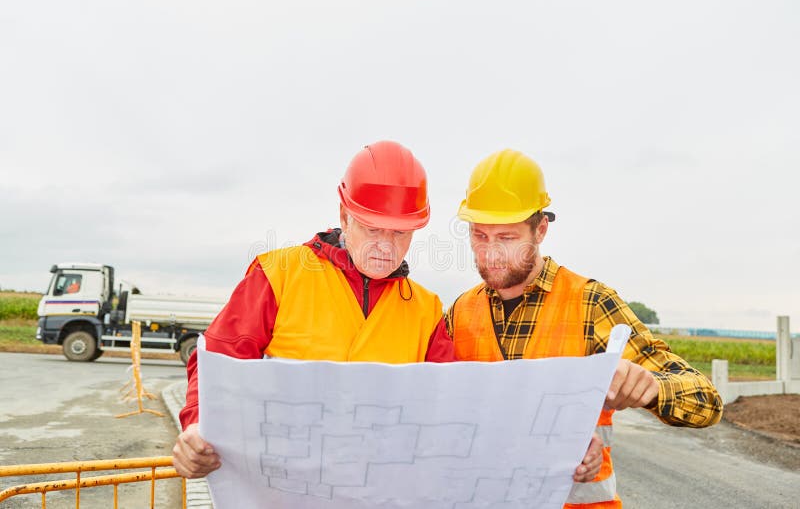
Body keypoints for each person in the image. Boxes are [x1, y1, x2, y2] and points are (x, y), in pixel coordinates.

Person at [446, 149, 723, 509]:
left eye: (507, 238)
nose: (491, 253)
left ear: (541, 229)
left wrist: (653, 387)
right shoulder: (459, 313)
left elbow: (707, 401)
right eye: (480, 236)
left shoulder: (591, 303)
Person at [172, 140, 457, 479]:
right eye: (372, 228)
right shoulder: (280, 275)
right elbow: (217, 363)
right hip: (284, 487)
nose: (385, 245)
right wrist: (198, 426)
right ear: (344, 216)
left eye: (399, 233)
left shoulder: (425, 310)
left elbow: (449, 402)